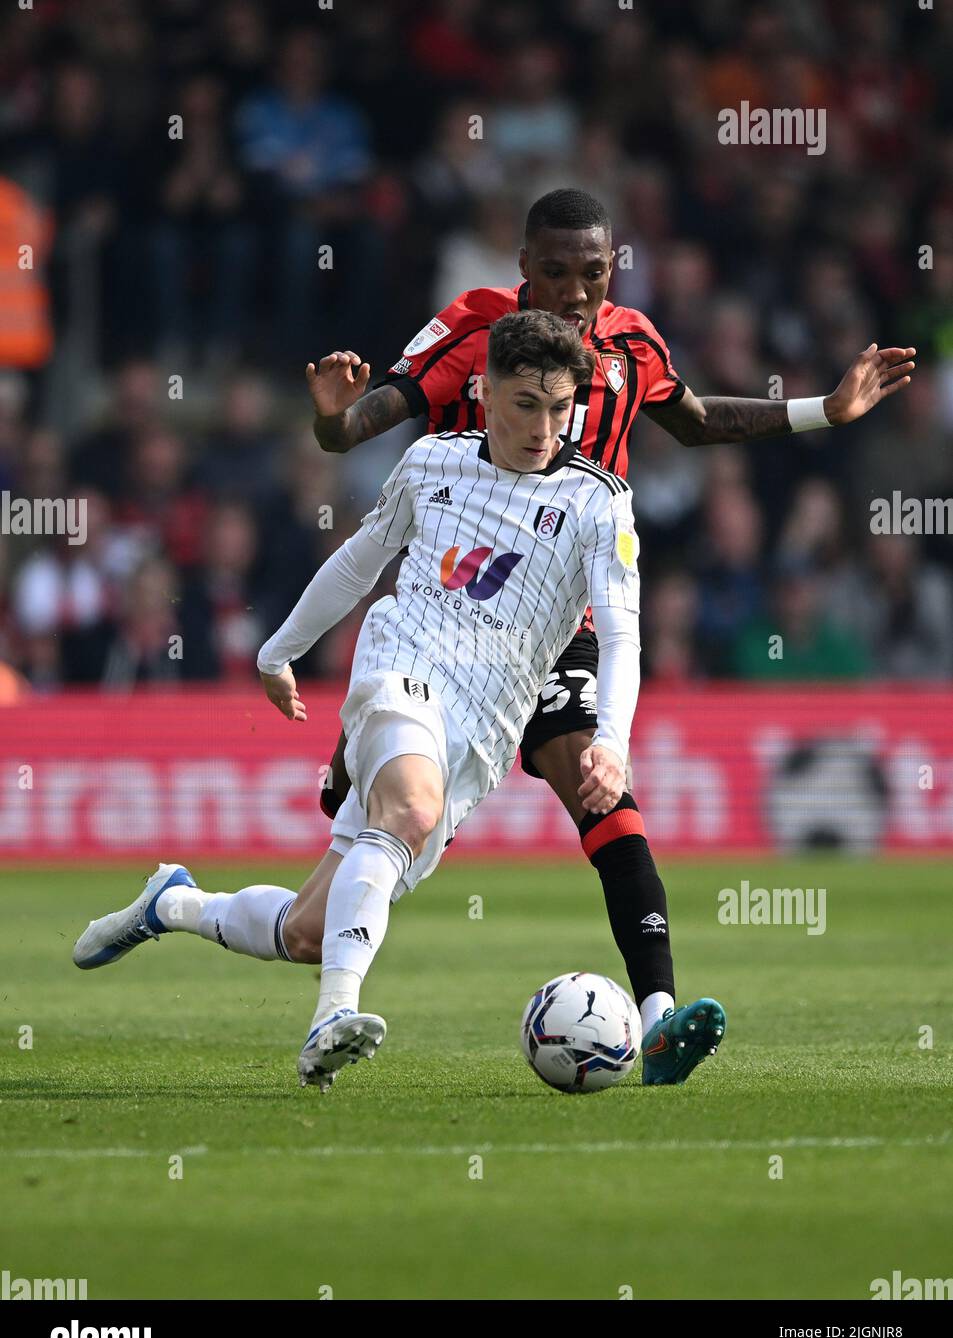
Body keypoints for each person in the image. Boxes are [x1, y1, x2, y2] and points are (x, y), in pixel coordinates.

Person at [299, 187, 916, 1082]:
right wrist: (330, 418)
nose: (574, 292)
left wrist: (822, 408)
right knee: (318, 908)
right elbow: (362, 421)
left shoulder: (633, 343)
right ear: (523, 271)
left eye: (591, 272)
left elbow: (695, 423)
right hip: (448, 629)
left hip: (560, 627)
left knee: (603, 793)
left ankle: (661, 1018)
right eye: (554, 272)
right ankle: (338, 781)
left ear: (611, 269)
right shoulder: (474, 329)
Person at [73, 310, 725, 1091]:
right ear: (483, 392)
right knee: (408, 811)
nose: (543, 427)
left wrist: (610, 741)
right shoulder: (432, 463)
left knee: (309, 930)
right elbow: (358, 562)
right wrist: (277, 650)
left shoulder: (599, 504)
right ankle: (331, 1019)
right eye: (525, 405)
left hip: (481, 732)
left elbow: (619, 637)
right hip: (401, 667)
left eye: (559, 409)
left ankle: (173, 904)